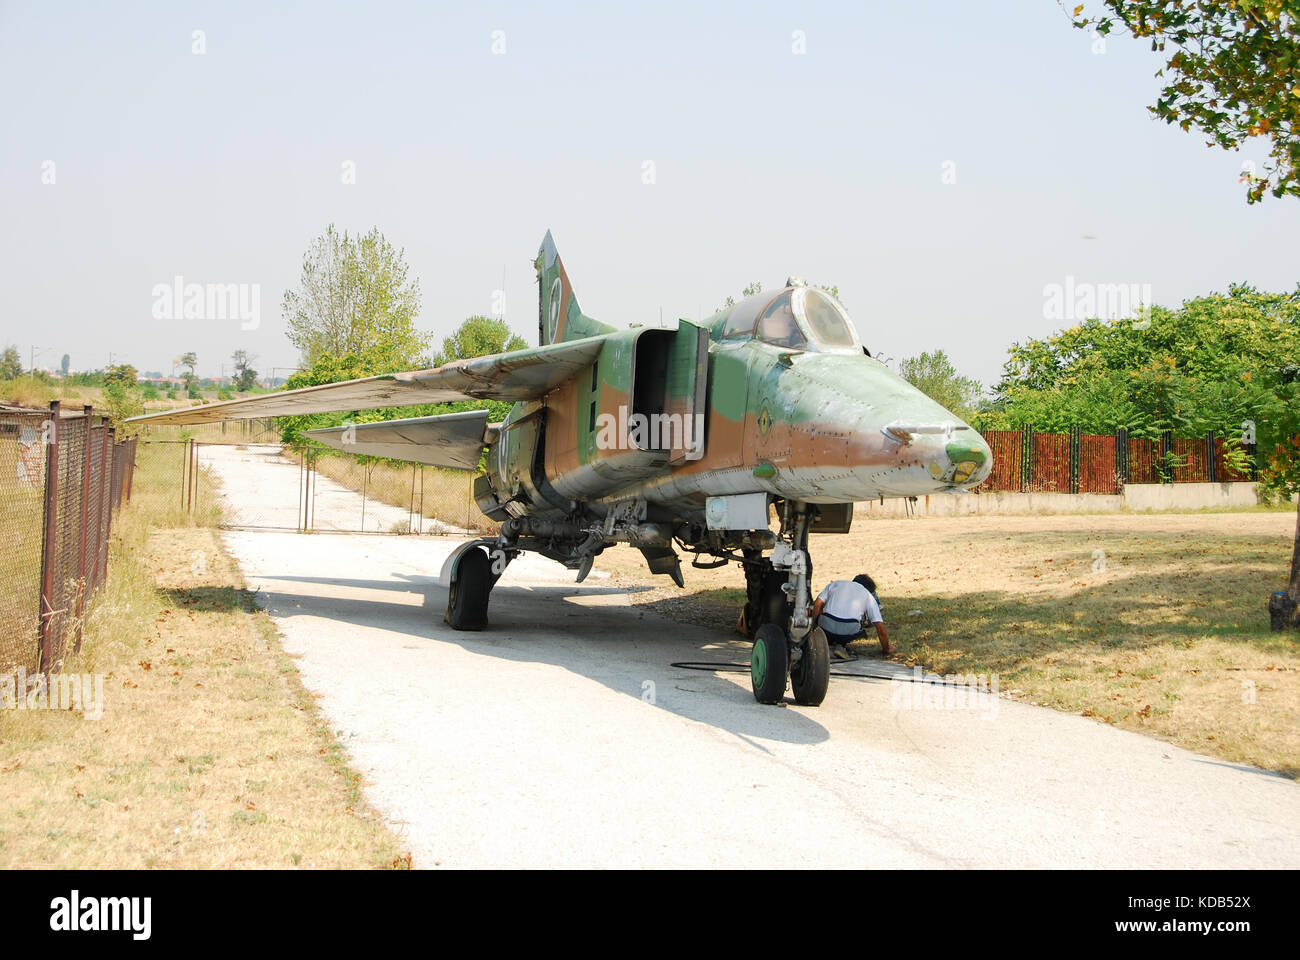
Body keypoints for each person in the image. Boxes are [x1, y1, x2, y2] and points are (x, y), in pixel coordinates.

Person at [810, 574, 891, 659]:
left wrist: (813, 626)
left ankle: (829, 644)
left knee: (829, 629)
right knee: (854, 629)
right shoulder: (868, 595)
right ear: (870, 589)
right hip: (848, 632)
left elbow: (817, 604)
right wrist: (887, 649)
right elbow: (880, 628)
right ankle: (840, 646)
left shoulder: (836, 584)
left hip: (826, 627)